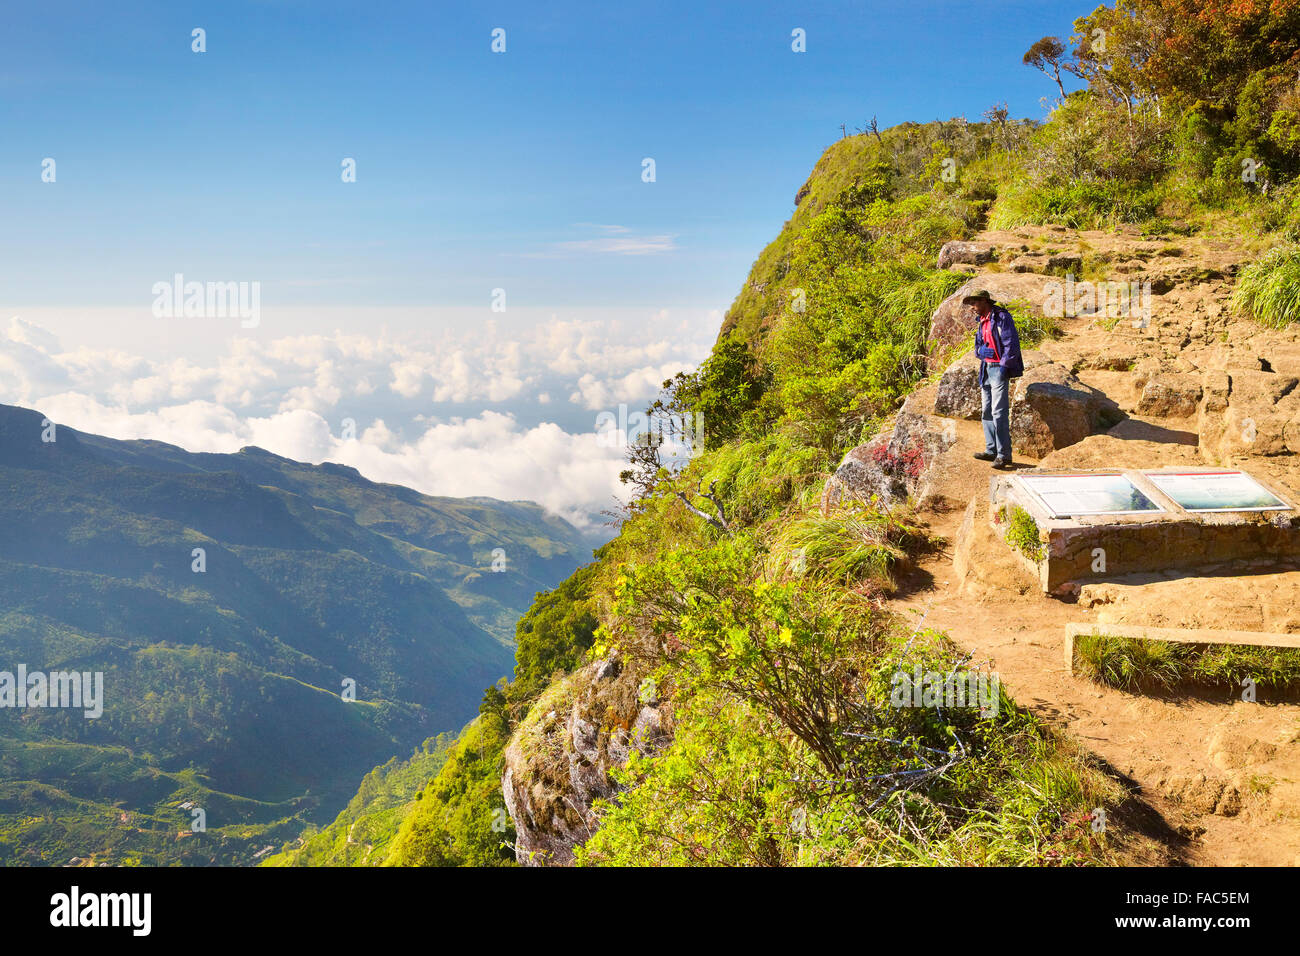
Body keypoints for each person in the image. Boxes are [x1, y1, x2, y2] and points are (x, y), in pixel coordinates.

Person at [965, 289, 1023, 469]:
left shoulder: (1001, 318)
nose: (972, 307)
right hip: (986, 368)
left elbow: (1010, 343)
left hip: (998, 369)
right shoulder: (982, 321)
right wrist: (979, 353)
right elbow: (978, 346)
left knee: (999, 412)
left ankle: (1004, 455)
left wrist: (1005, 366)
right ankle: (991, 450)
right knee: (987, 411)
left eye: (974, 303)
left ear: (984, 301)